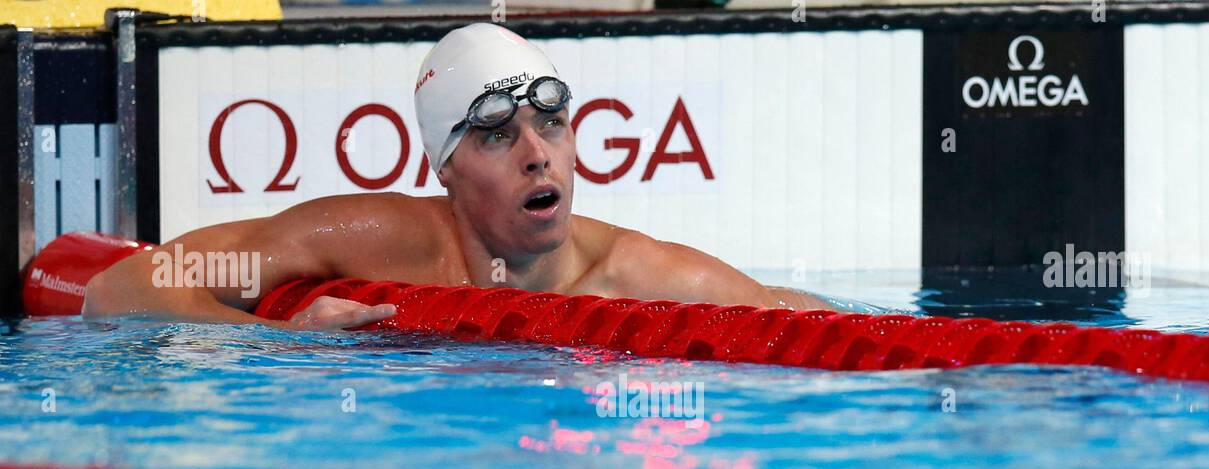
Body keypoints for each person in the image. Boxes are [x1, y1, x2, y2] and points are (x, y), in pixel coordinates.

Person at [84, 23, 830, 329]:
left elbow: (812, 328)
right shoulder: (378, 242)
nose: (537, 154)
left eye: (552, 124)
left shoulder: (647, 279)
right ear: (442, 167)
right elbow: (116, 289)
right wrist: (269, 337)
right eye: (497, 136)